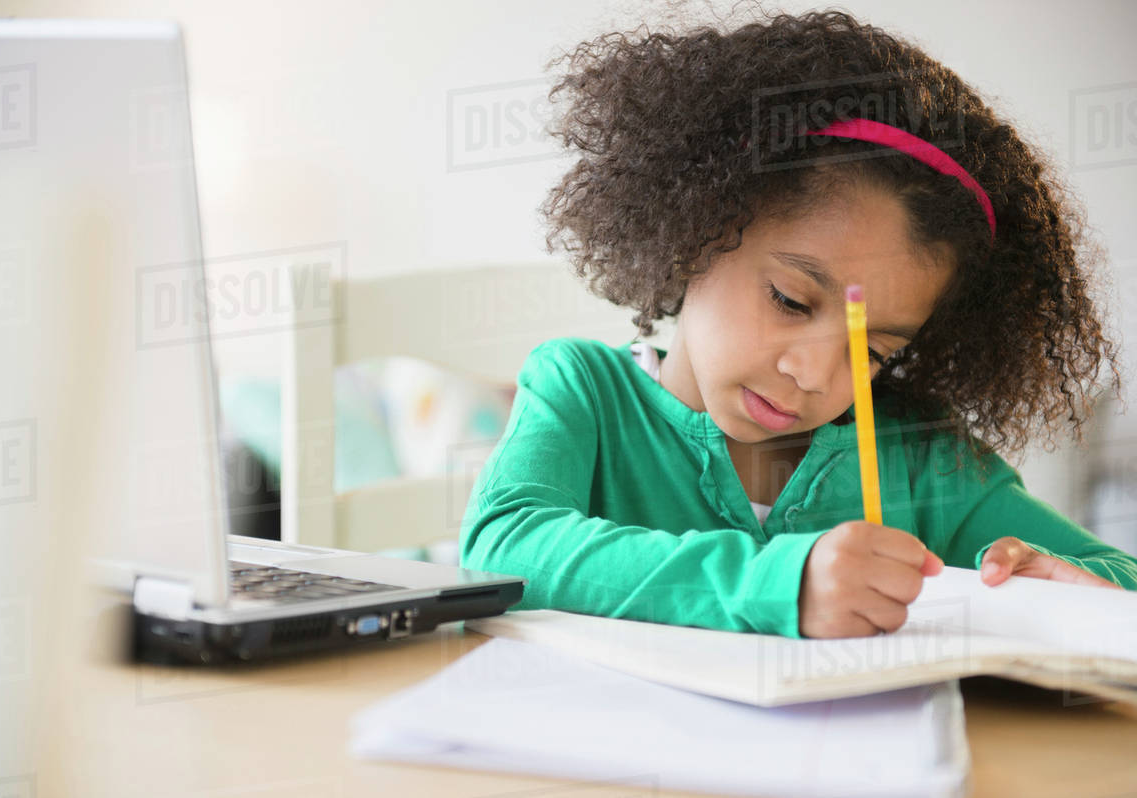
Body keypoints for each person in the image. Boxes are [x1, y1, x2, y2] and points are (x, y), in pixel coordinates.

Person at [459, 9, 1137, 639]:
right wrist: (781, 584)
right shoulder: (584, 394)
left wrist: (1064, 590)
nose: (813, 374)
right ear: (696, 232)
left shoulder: (923, 457)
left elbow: (1122, 581)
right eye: (789, 299)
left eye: (874, 350)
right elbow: (503, 547)